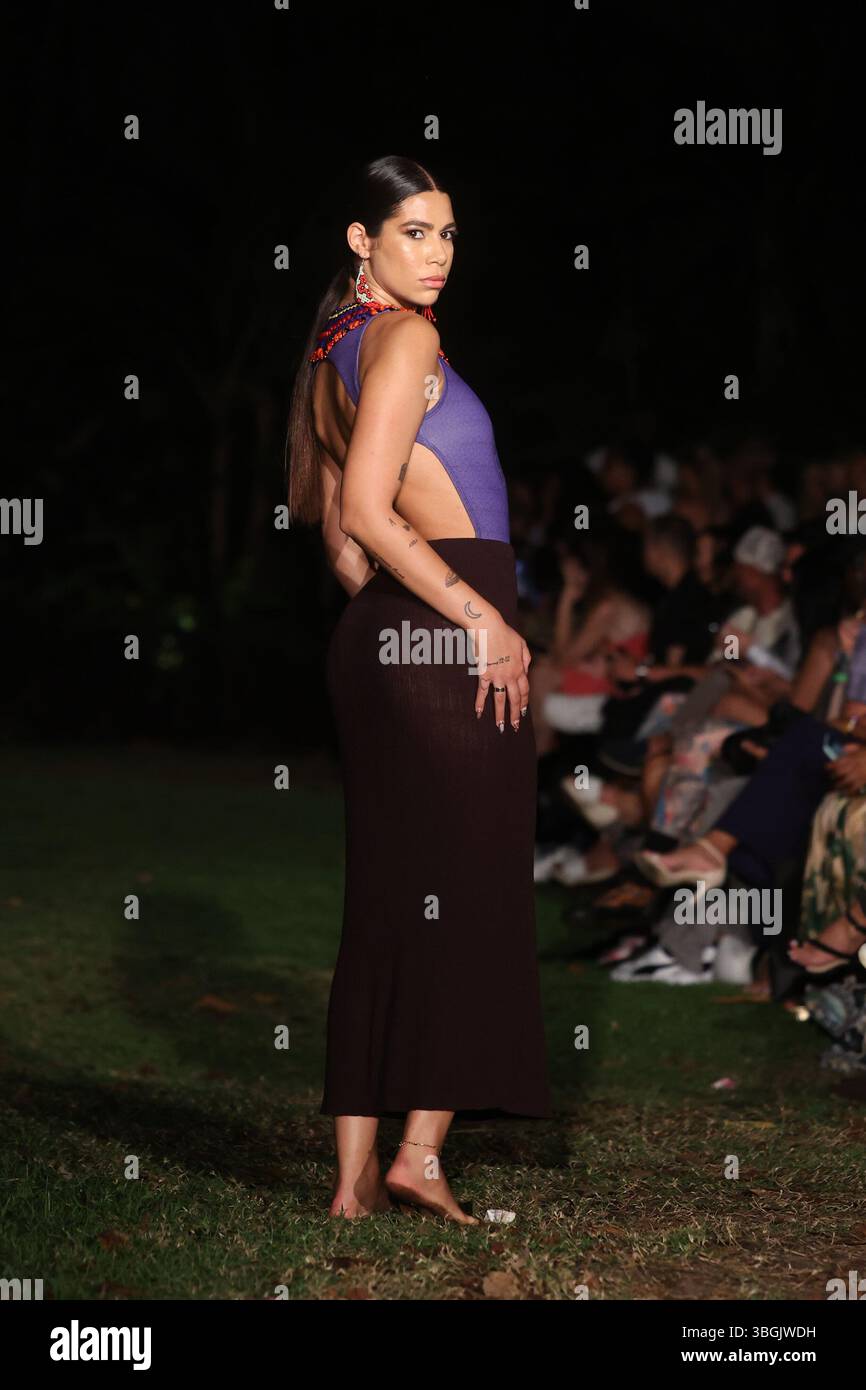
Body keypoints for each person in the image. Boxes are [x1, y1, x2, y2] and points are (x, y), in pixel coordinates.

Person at [287, 156, 551, 1224]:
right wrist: (481, 614)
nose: (436, 255)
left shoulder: (330, 351)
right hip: (452, 627)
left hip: (387, 631)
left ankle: (353, 1182)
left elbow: (342, 538)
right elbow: (363, 504)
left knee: (388, 902)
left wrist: (387, 616)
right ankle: (418, 1156)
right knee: (470, 892)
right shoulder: (407, 338)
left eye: (446, 234)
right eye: (413, 232)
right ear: (362, 239)